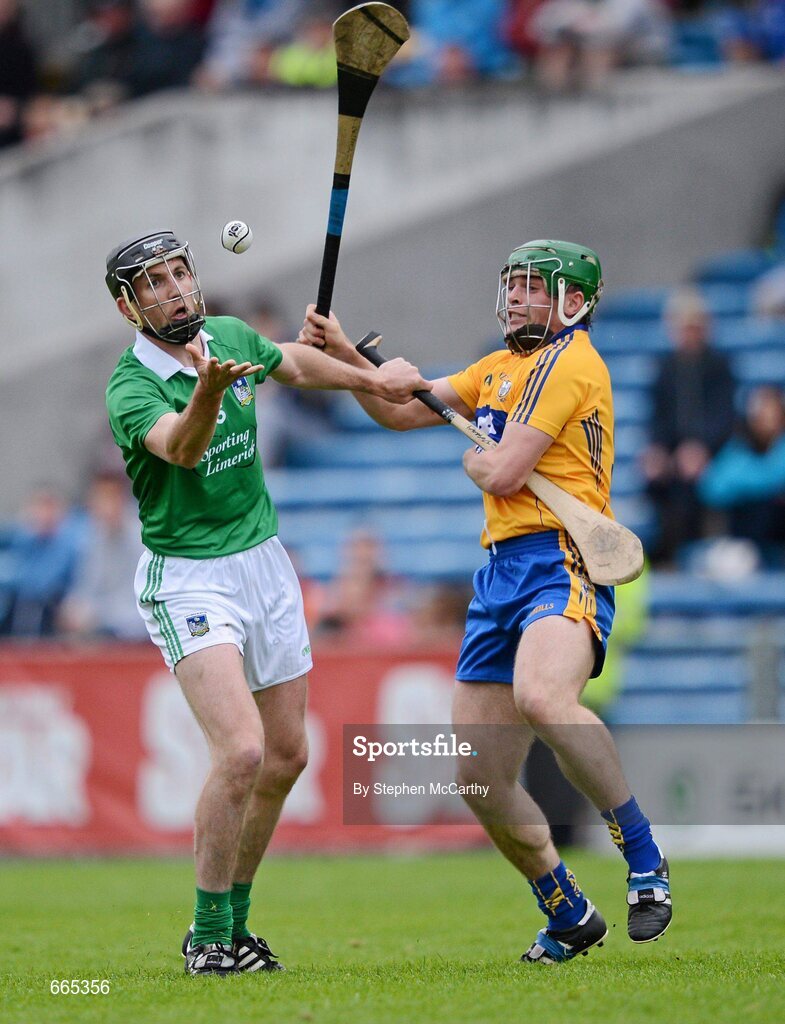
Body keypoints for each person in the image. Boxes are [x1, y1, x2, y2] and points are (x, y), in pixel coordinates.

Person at [300, 239, 672, 964]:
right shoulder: (495, 368)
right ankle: (565, 909)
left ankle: (646, 860)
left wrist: (469, 450)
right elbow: (404, 414)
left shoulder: (572, 362)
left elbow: (499, 471)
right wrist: (354, 360)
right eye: (513, 285)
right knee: (476, 774)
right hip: (497, 571)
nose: (517, 298)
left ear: (572, 301)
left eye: (534, 288)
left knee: (543, 697)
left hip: (557, 559)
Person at [104, 229, 427, 976]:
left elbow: (293, 361)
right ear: (128, 307)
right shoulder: (132, 386)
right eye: (151, 283)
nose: (173, 290)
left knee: (286, 755)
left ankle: (238, 928)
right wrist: (210, 395)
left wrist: (365, 379)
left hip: (264, 565)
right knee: (242, 749)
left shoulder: (228, 334)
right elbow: (182, 449)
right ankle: (207, 935)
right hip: (188, 576)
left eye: (179, 273)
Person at [640, 287, 736, 565]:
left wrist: (702, 447)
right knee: (656, 478)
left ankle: (679, 555)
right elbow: (658, 416)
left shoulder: (719, 365)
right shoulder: (666, 367)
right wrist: (657, 450)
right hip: (676, 451)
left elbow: (724, 417)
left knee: (689, 485)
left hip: (712, 451)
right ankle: (663, 552)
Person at [58, 473, 147, 640]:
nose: (104, 505)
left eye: (109, 498)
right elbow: (85, 587)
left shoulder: (143, 537)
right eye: (98, 499)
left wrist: (98, 615)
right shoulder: (90, 537)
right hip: (103, 621)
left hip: (134, 624)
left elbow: (141, 599)